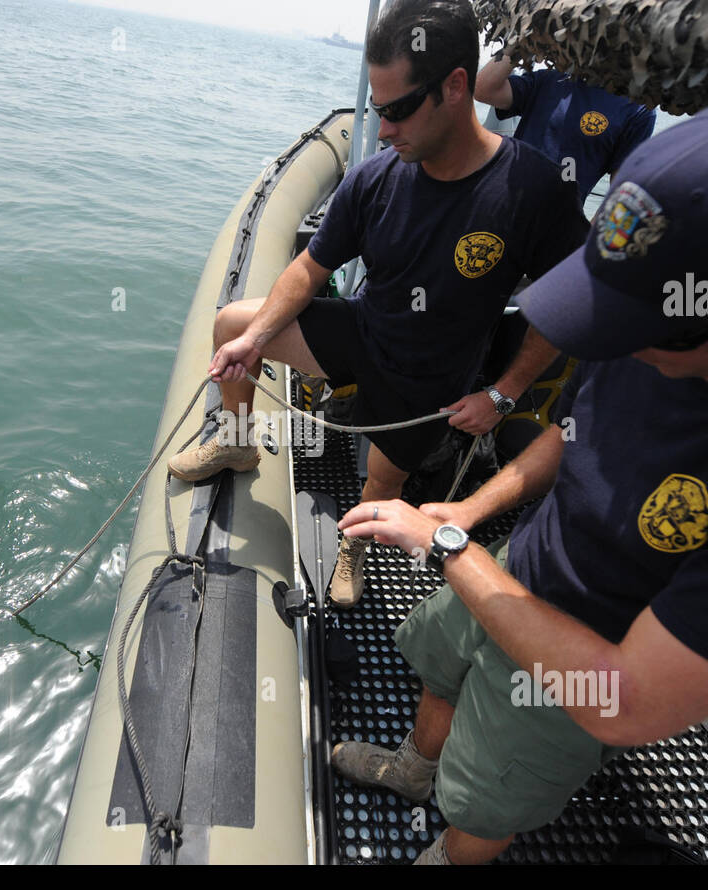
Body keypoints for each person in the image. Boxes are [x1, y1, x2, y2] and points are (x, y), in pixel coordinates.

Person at [329, 89, 708, 864]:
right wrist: (472, 511)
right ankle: (415, 768)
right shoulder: (652, 317)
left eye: (649, 328)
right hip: (512, 567)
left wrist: (444, 544)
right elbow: (573, 435)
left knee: (486, 799)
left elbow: (626, 700)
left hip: (586, 663)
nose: (620, 342)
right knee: (439, 668)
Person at [167, 0, 588, 608]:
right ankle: (237, 441)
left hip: (429, 380)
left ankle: (354, 545)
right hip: (366, 330)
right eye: (378, 110)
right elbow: (311, 266)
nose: (383, 129)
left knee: (379, 482)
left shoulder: (533, 189)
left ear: (455, 87)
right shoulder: (374, 178)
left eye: (396, 111)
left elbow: (566, 302)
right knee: (232, 322)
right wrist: (255, 339)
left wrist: (504, 393)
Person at [474, 61, 656, 204]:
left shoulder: (637, 109)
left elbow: (620, 192)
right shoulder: (552, 79)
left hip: (558, 229)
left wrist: (586, 243)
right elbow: (483, 89)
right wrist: (521, 41)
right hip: (501, 204)